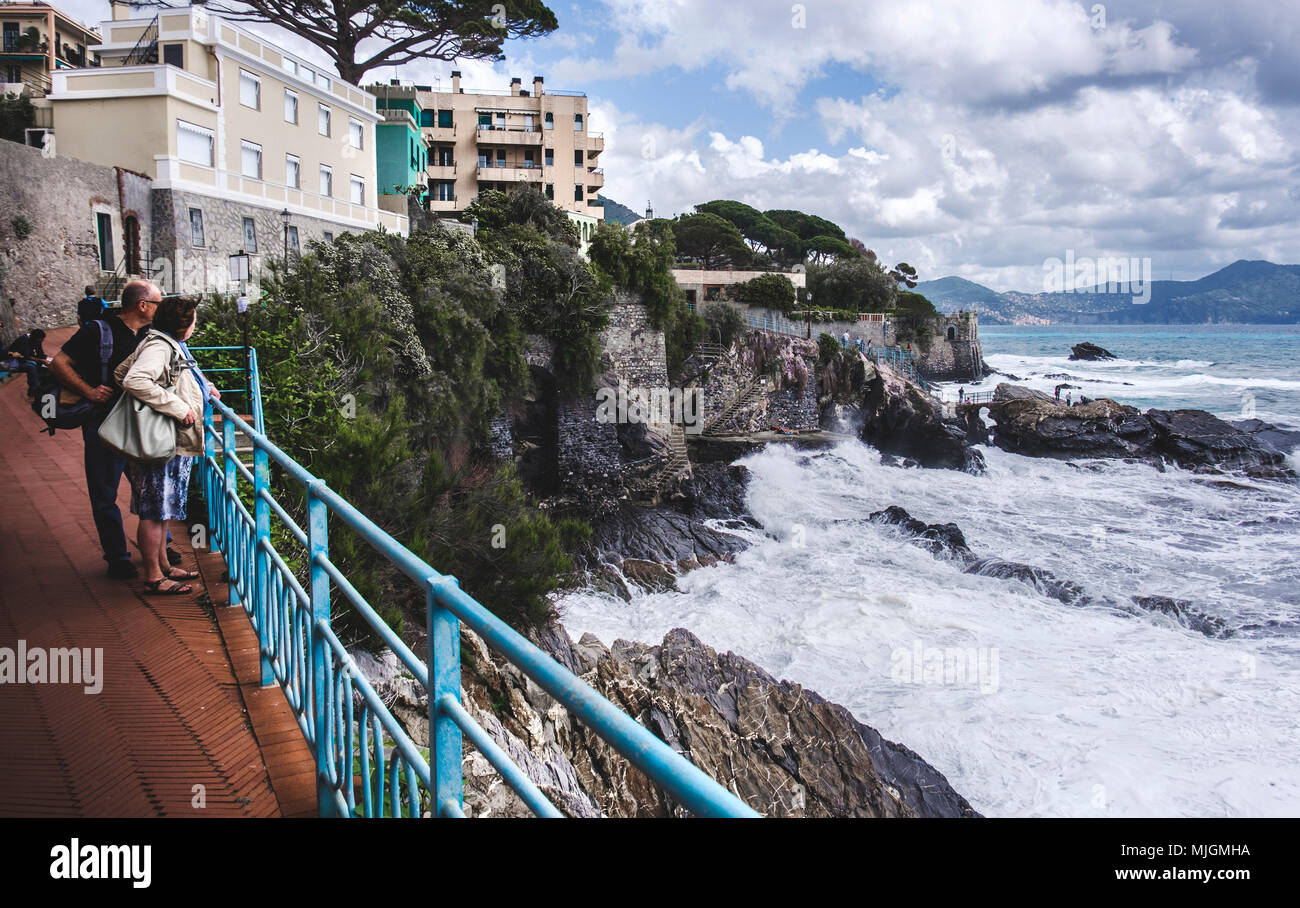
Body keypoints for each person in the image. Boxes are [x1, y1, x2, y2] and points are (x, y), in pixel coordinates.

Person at [47, 281, 158, 578]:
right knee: (104, 494)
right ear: (142, 305)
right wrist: (88, 391)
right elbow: (59, 363)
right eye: (158, 303)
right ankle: (117, 558)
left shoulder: (152, 334)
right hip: (103, 424)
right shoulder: (98, 330)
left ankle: (159, 550)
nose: (161, 309)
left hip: (140, 424)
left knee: (149, 491)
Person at [116, 296, 213, 594]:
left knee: (161, 508)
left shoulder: (165, 343)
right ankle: (155, 577)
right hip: (161, 443)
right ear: (183, 324)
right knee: (153, 511)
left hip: (168, 441)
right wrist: (175, 407)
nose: (196, 324)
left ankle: (163, 565)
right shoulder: (160, 346)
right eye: (194, 319)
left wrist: (204, 387)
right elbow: (134, 379)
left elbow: (121, 373)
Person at [5, 328, 48, 396]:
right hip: (13, 361)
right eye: (39, 341)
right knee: (32, 365)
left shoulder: (36, 341)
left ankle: (37, 386)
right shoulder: (23, 340)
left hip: (23, 359)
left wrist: (46, 360)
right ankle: (36, 388)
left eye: (41, 341)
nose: (40, 343)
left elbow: (40, 353)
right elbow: (26, 357)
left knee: (41, 364)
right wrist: (41, 360)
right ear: (33, 338)